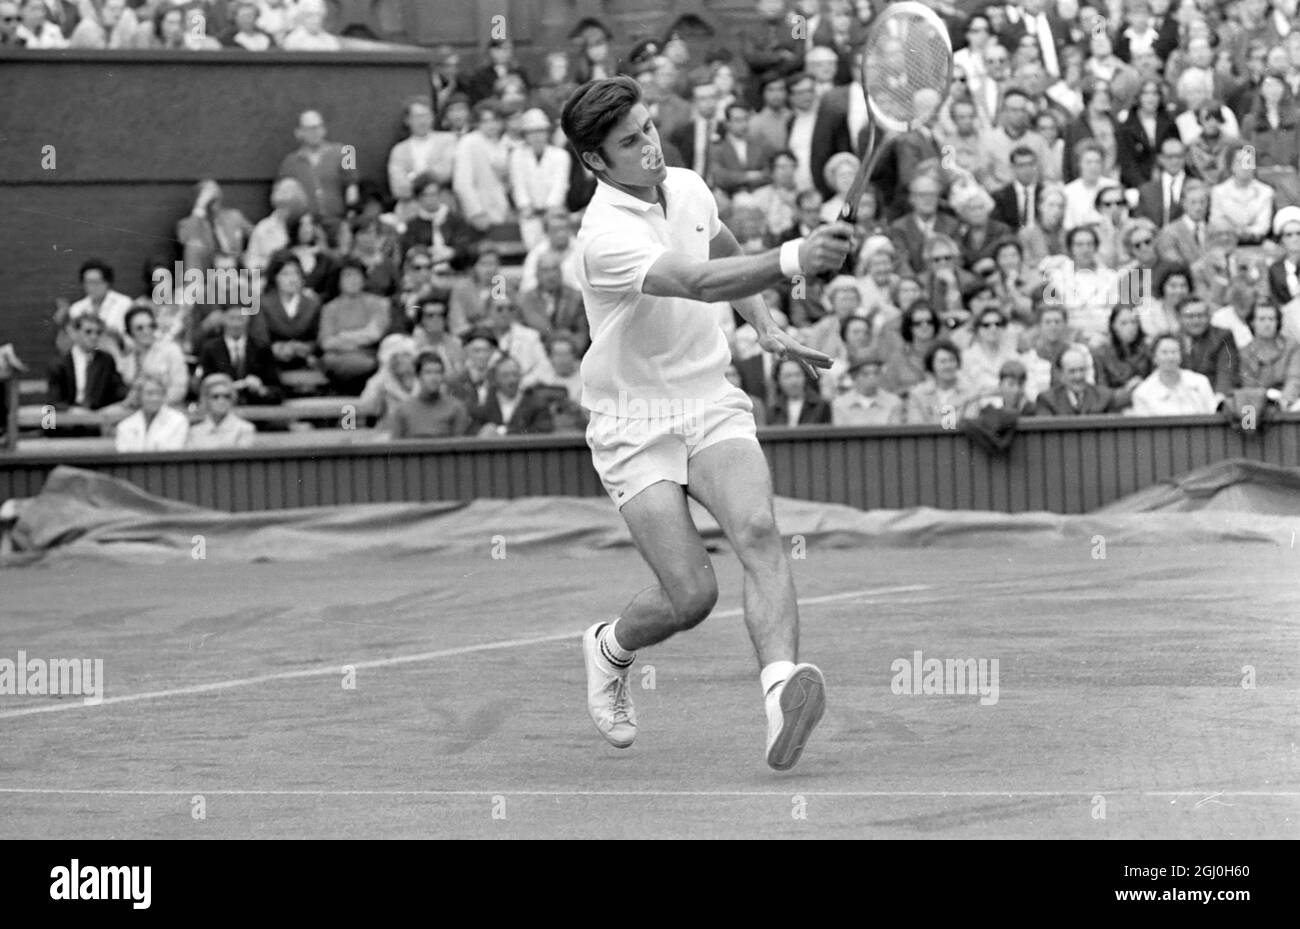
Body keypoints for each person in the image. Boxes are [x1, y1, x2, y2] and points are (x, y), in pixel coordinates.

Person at [561, 75, 852, 769]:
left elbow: (714, 242)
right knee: (692, 594)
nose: (650, 148)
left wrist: (767, 324)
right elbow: (693, 280)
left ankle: (781, 691)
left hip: (706, 395)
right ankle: (609, 646)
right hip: (632, 421)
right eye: (630, 143)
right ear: (595, 162)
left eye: (650, 128)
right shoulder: (602, 237)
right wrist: (791, 259)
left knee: (757, 530)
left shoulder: (686, 185)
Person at [319, 258, 388, 394]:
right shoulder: (329, 308)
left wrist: (342, 336)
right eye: (348, 275)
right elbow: (326, 342)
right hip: (338, 362)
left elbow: (374, 334)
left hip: (369, 358)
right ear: (338, 280)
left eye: (357, 275)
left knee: (370, 365)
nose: (353, 279)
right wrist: (359, 338)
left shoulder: (377, 303)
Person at [196, 304, 282, 405]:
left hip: (255, 409)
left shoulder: (261, 348)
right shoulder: (210, 349)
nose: (236, 324)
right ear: (223, 319)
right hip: (221, 408)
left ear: (248, 320)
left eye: (240, 319)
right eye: (231, 318)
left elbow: (277, 391)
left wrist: (261, 389)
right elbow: (203, 387)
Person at [47, 314, 126, 412]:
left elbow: (118, 390)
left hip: (99, 416)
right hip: (69, 418)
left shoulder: (106, 360)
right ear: (75, 333)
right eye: (88, 332)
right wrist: (72, 410)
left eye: (98, 332)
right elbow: (54, 399)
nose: (94, 336)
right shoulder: (60, 363)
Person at [385, 351, 471, 439]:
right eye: (428, 372)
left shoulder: (456, 408)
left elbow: (460, 446)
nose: (434, 378)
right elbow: (395, 447)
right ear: (418, 376)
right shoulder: (402, 410)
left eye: (438, 372)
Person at [1128, 334, 1219, 415]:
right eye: (1164, 352)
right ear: (1154, 357)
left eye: (1174, 352)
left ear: (1181, 356)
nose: (1170, 357)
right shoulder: (1142, 393)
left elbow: (1213, 414)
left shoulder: (1200, 382)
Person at [118, 306, 188, 408]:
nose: (147, 331)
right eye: (140, 328)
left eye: (151, 326)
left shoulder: (171, 350)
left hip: (167, 409)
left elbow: (179, 388)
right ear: (129, 332)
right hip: (133, 410)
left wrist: (155, 406)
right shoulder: (127, 357)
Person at [1239, 303, 1300, 410]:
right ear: (1252, 322)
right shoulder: (1244, 353)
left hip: (1289, 401)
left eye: (1271, 319)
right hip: (1257, 403)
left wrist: (1285, 399)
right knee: (1247, 414)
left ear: (1278, 322)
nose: (1267, 324)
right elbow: (1248, 386)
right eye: (1262, 319)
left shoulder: (1292, 347)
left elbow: (1294, 378)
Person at [1091, 305, 1152, 409]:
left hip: (1147, 405)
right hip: (1116, 408)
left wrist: (1143, 385)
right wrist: (1127, 390)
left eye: (1134, 322)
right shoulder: (1101, 353)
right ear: (1113, 326)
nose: (1130, 327)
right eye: (1124, 323)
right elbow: (1101, 392)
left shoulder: (1148, 349)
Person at [906, 340, 979, 425]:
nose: (948, 366)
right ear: (932, 365)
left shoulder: (971, 393)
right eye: (943, 362)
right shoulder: (918, 394)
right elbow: (915, 427)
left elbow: (969, 426)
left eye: (952, 360)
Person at [1034, 345, 1123, 415]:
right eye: (1072, 371)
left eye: (1082, 370)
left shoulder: (1104, 397)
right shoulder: (1047, 400)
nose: (1078, 376)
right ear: (1061, 374)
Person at [114, 374, 189, 452]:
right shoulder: (125, 426)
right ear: (139, 396)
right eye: (150, 393)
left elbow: (172, 452)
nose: (155, 398)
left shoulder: (178, 421)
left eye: (159, 393)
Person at [831, 352, 903, 426]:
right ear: (854, 377)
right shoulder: (840, 404)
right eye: (865, 374)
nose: (872, 378)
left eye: (876, 373)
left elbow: (895, 434)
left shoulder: (894, 402)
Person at [187, 373, 256, 450]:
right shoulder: (195, 432)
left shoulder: (244, 429)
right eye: (215, 396)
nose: (221, 401)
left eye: (227, 396)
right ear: (205, 400)